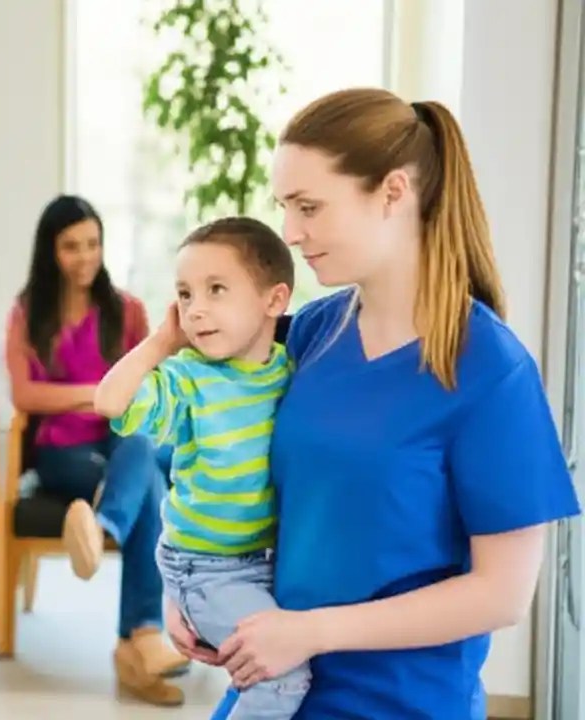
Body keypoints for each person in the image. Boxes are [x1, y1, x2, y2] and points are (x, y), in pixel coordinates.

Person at [167, 88, 580, 718]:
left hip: (399, 700)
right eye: (285, 207)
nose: (290, 232)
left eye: (309, 207)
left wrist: (314, 631)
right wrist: (193, 583)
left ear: (393, 193)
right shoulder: (310, 333)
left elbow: (502, 594)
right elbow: (243, 476)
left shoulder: (491, 371)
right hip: (276, 682)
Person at [97, 216, 308, 719]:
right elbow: (109, 401)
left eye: (216, 290)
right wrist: (160, 343)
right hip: (204, 566)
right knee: (282, 679)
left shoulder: (289, 370)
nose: (197, 310)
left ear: (273, 301)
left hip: (260, 559)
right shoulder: (188, 378)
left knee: (265, 673)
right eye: (186, 294)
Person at [5, 195, 186, 706]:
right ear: (50, 251)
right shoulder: (28, 313)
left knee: (143, 446)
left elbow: (149, 380)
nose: (85, 257)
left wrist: (117, 397)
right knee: (149, 480)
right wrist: (98, 392)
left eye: (92, 244)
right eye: (71, 247)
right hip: (62, 447)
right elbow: (25, 396)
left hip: (122, 439)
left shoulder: (125, 309)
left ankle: (101, 528)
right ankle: (141, 639)